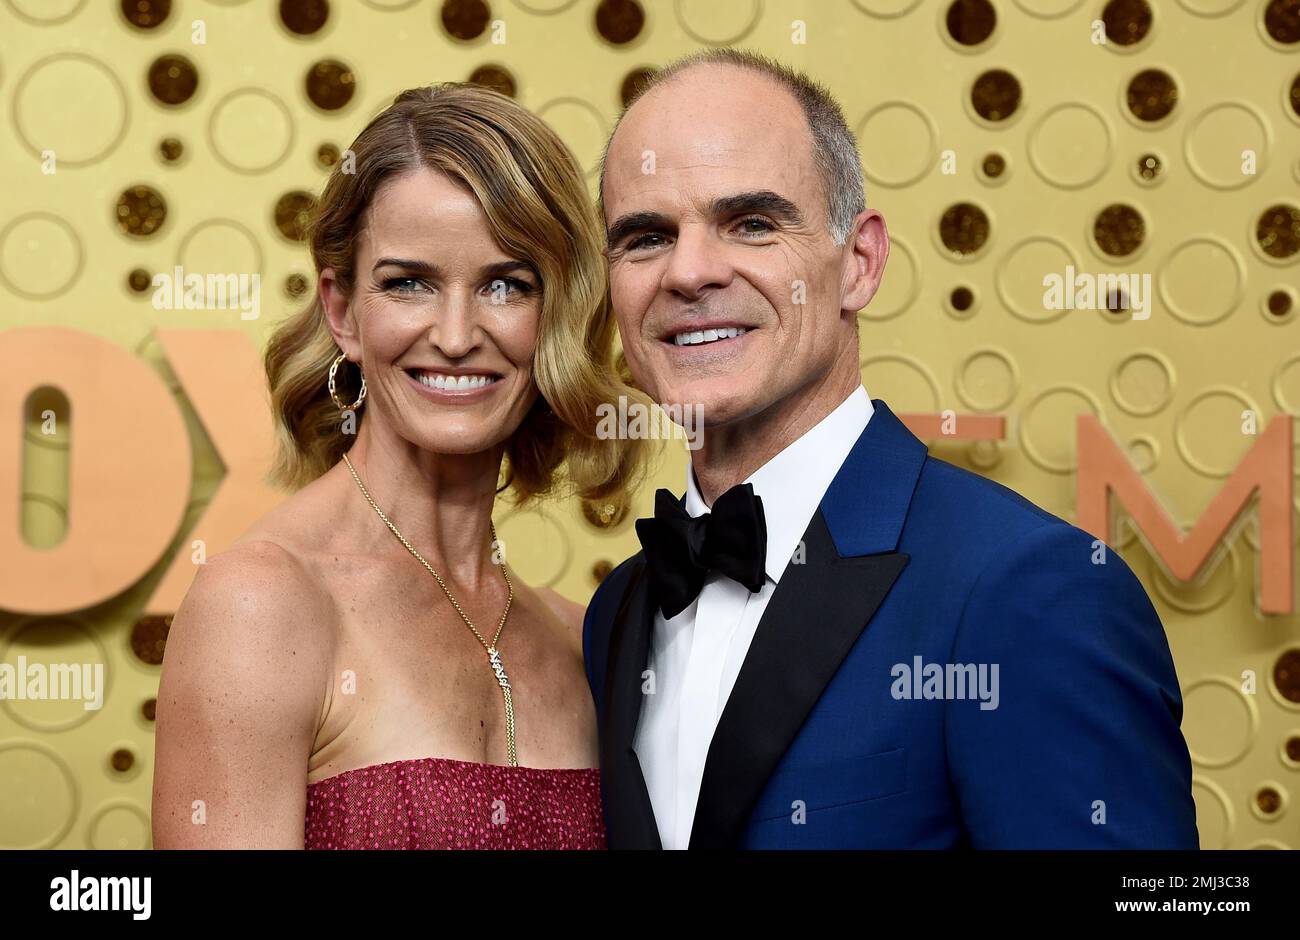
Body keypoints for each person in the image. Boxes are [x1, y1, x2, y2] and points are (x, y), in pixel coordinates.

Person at [584, 49, 1199, 849]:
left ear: (860, 264)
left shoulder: (1028, 591)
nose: (690, 270)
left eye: (753, 224)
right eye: (645, 237)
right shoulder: (617, 613)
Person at [152, 83, 646, 849]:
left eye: (505, 285)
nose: (454, 335)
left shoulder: (579, 636)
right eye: (408, 282)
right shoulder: (261, 606)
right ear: (343, 311)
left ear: (555, 315)